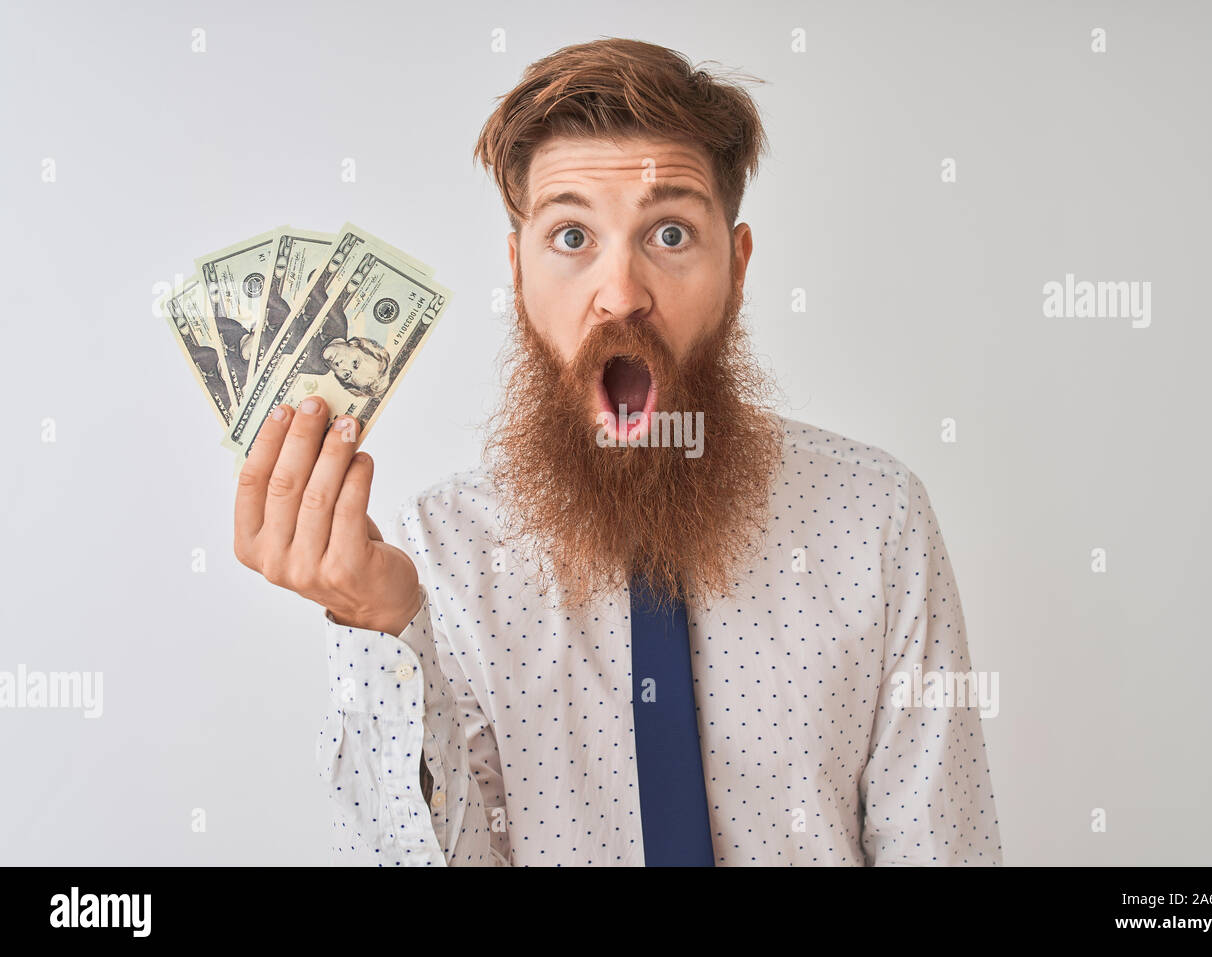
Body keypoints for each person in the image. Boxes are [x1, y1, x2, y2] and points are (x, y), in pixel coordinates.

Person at [233, 37, 1003, 866]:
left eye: (670, 232)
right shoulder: (439, 553)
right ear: (518, 274)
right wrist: (377, 627)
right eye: (571, 237)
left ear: (736, 269)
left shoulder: (874, 518)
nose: (622, 293)